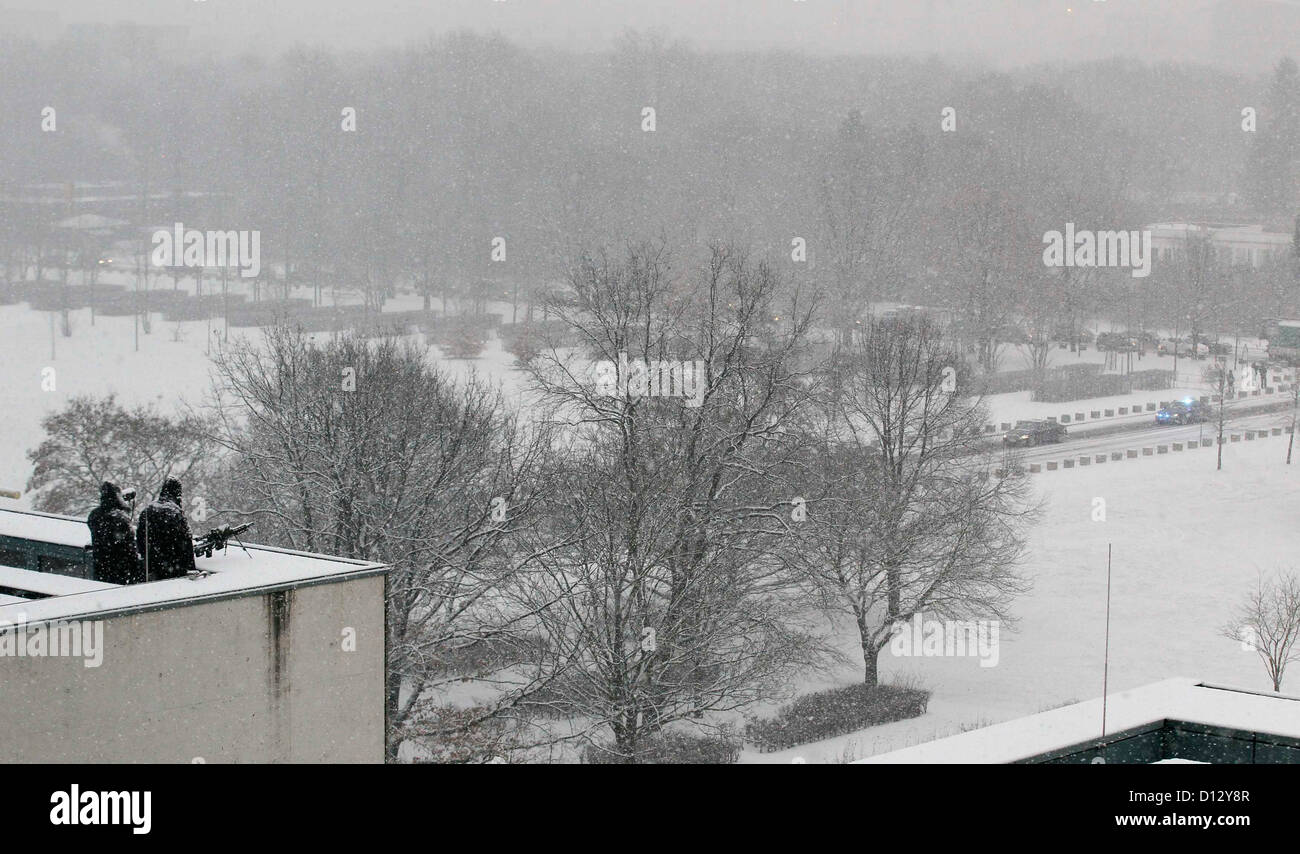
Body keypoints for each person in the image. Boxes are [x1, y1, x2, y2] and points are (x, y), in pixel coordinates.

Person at [137, 478, 197, 580]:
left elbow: (140, 540)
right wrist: (190, 568)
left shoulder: (147, 511)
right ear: (178, 493)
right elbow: (186, 543)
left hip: (152, 568)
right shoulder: (175, 512)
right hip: (173, 569)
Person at [86, 482, 144, 585]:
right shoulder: (120, 519)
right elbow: (129, 547)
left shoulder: (94, 516)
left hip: (101, 565)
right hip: (121, 569)